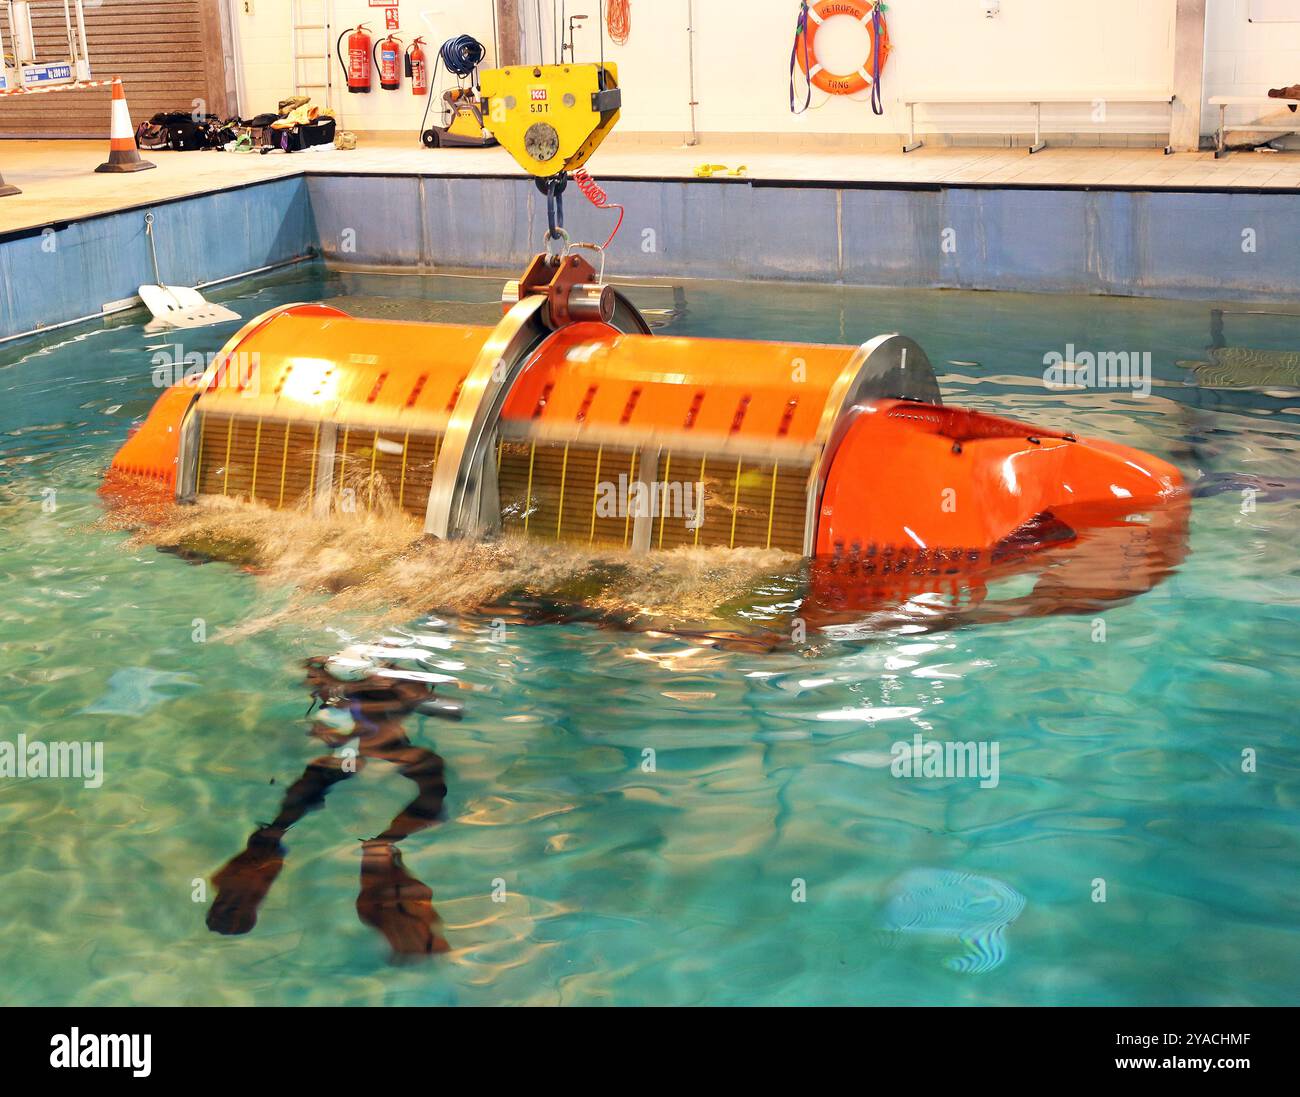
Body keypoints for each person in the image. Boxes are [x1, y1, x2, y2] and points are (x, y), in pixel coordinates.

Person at [206, 652, 454, 960]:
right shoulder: (378, 700)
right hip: (359, 726)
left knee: (340, 768)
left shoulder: (346, 698)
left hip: (351, 729)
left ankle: (276, 839)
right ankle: (369, 853)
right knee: (418, 768)